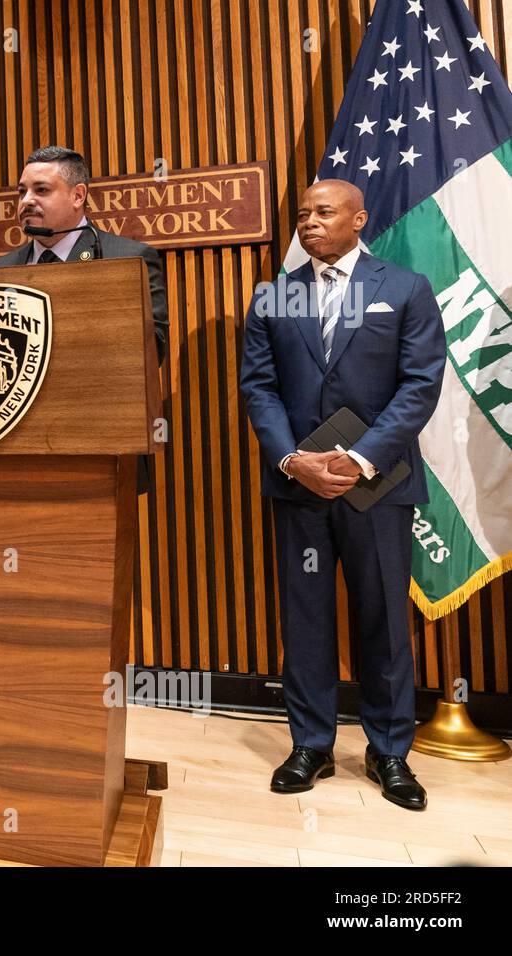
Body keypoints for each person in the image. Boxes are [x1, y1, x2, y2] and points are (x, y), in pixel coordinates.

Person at [238, 179, 445, 811]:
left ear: (359, 218)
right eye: (302, 214)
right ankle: (311, 745)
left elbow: (420, 384)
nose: (309, 222)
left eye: (323, 212)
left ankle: (389, 753)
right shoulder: (273, 296)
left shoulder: (406, 288)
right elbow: (259, 388)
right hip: (299, 483)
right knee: (304, 618)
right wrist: (294, 459)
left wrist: (357, 459)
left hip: (375, 484)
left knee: (382, 616)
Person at [0, 145, 168, 492]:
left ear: (78, 195)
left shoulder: (128, 258)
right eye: (22, 191)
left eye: (41, 190)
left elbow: (153, 349)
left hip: (100, 446)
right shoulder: (0, 269)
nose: (27, 200)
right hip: (15, 454)